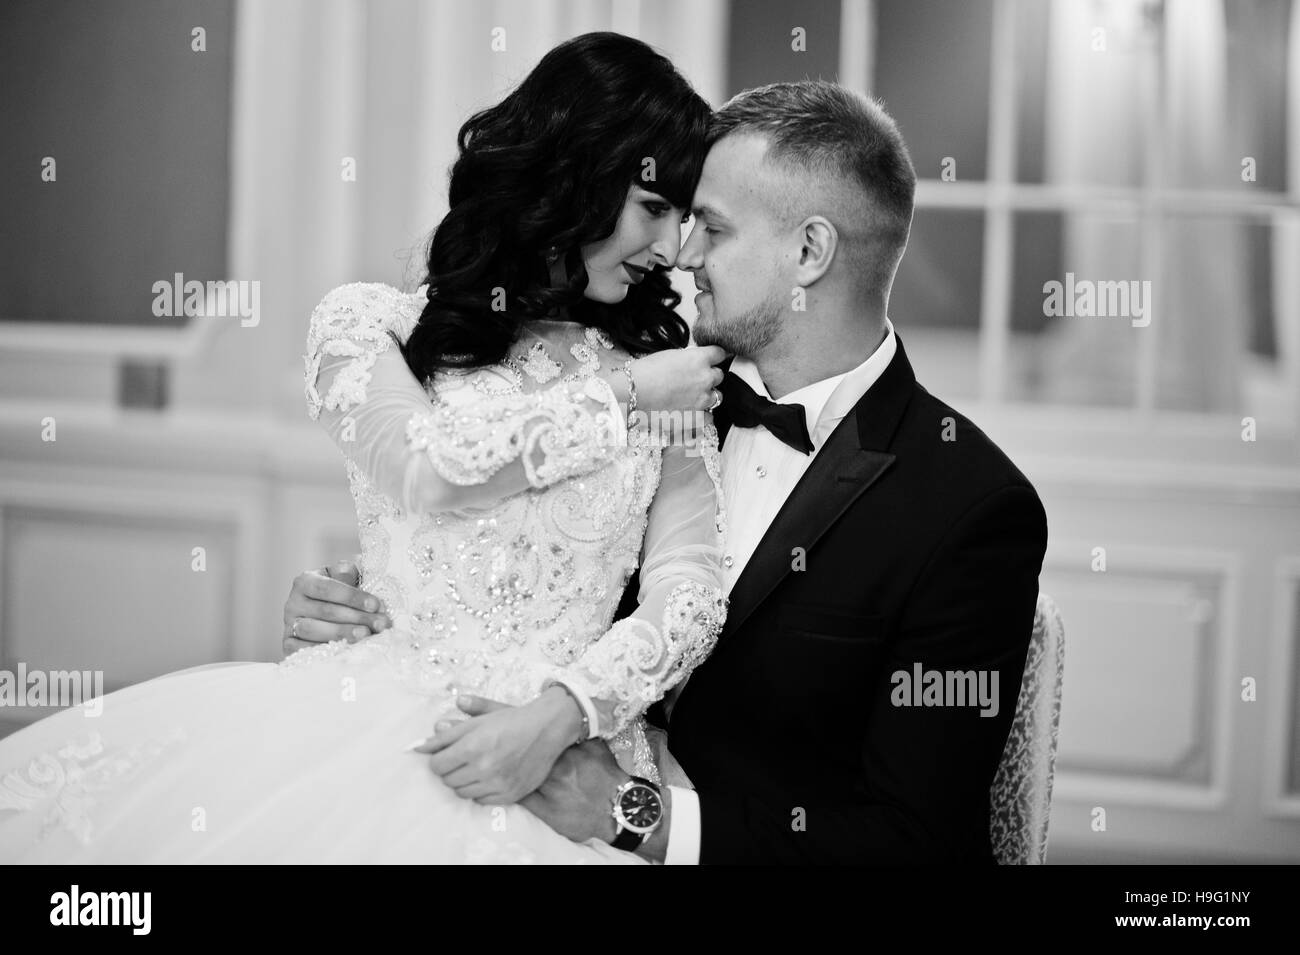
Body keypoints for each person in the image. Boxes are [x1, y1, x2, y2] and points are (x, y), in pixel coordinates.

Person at [0, 33, 727, 864]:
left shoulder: (663, 373)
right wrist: (625, 397)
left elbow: (690, 591)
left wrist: (564, 709)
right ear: (579, 174)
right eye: (655, 209)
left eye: (686, 218)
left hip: (575, 774)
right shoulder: (369, 325)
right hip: (372, 728)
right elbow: (428, 470)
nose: (671, 250)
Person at [294, 81, 1049, 865]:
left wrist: (637, 817)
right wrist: (363, 609)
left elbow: (916, 844)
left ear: (809, 252)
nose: (682, 257)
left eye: (711, 228)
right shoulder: (658, 392)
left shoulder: (965, 506)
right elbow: (499, 549)